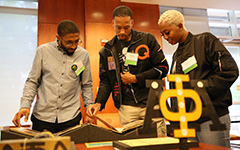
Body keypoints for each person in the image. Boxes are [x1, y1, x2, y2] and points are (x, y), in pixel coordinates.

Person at [158, 10, 239, 147]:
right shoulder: (177, 55)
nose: (165, 37)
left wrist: (199, 93)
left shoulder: (206, 41)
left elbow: (229, 71)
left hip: (210, 118)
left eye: (167, 32)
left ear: (179, 25)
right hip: (187, 122)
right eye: (162, 34)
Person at [87, 5, 169, 136]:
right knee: (132, 144)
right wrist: (98, 103)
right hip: (126, 107)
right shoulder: (106, 50)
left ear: (132, 23)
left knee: (159, 143)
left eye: (126, 27)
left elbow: (163, 68)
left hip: (151, 102)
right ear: (112, 23)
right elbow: (106, 81)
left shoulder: (148, 40)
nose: (122, 32)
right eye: (118, 28)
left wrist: (137, 78)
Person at [12, 20, 94, 133]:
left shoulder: (83, 55)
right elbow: (32, 82)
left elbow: (86, 85)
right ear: (58, 37)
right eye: (69, 42)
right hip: (43, 117)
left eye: (77, 41)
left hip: (70, 118)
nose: (74, 46)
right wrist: (25, 106)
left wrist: (89, 106)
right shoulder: (43, 51)